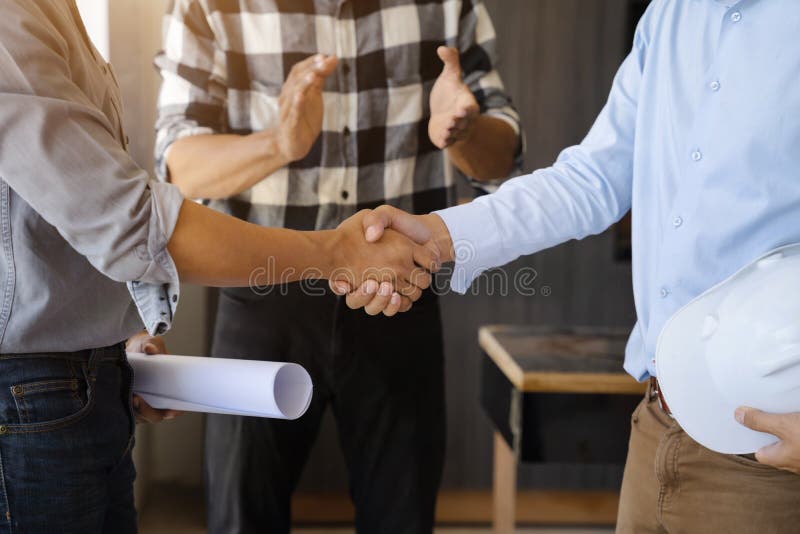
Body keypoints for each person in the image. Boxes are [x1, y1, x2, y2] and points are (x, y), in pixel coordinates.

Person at [343, 0, 800, 531]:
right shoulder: (669, 15)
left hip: (770, 451)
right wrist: (440, 235)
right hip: (657, 421)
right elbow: (593, 180)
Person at [0, 1, 437, 532]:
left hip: (86, 384)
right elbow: (133, 216)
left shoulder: (55, 11)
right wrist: (335, 251)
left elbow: (67, 217)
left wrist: (116, 338)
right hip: (34, 401)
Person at [154, 1, 521, 532]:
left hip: (400, 297)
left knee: (403, 519)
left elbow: (503, 160)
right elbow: (178, 167)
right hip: (262, 300)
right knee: (241, 517)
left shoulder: (447, 7)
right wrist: (278, 143)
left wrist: (464, 133)